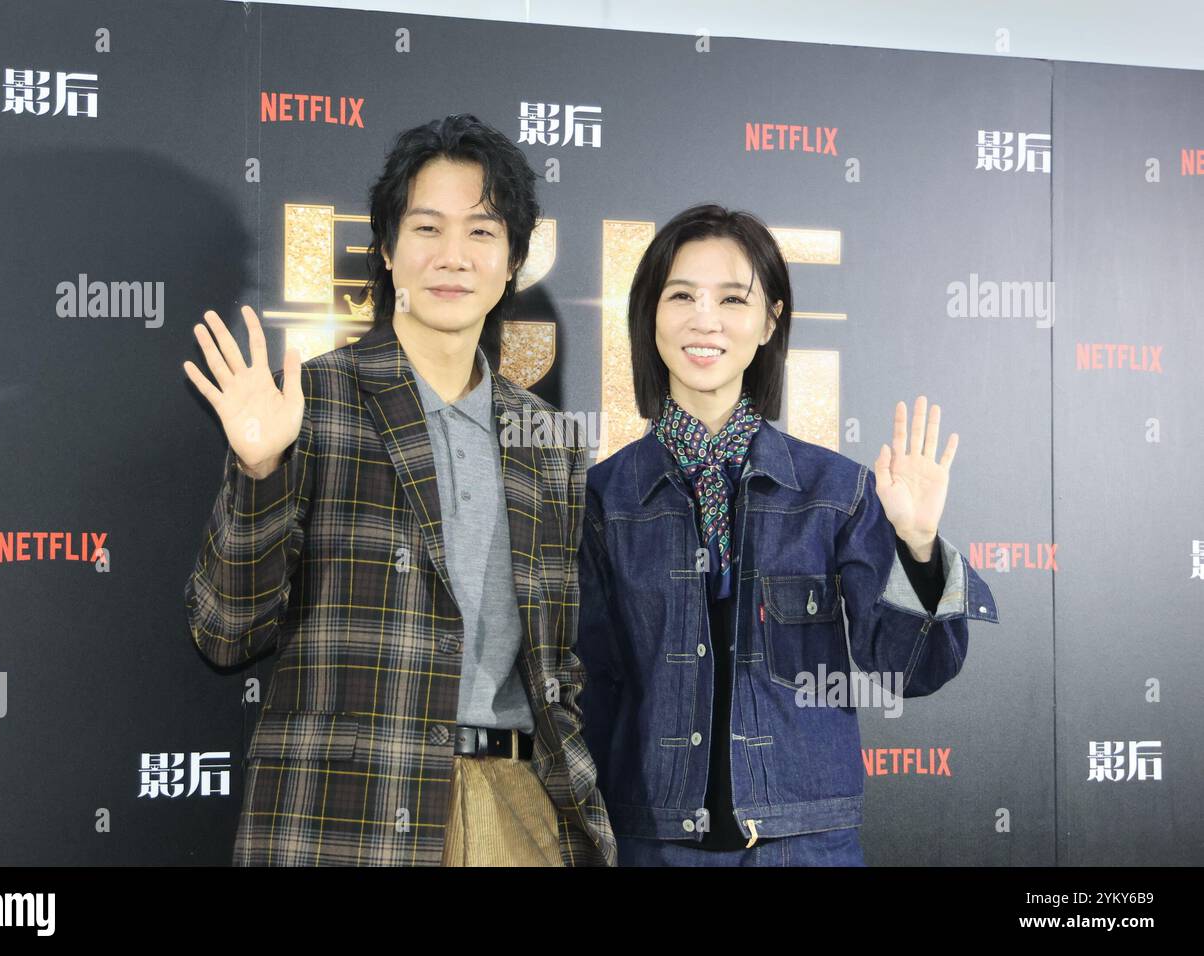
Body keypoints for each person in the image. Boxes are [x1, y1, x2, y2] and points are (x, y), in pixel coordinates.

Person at [182, 114, 615, 866]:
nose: (452, 257)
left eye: (481, 233)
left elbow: (560, 664)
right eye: (426, 228)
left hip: (516, 809)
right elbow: (225, 633)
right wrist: (259, 473)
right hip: (348, 814)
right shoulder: (310, 402)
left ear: (513, 259)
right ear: (386, 250)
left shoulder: (547, 437)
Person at [574, 203, 1000, 866]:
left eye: (732, 298)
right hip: (649, 844)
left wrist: (919, 546)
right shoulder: (606, 498)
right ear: (650, 315)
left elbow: (911, 670)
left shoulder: (836, 492)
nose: (704, 319)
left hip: (806, 845)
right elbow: (589, 691)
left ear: (771, 320)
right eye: (681, 294)